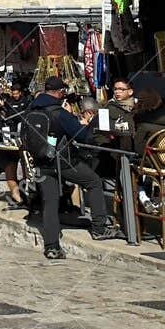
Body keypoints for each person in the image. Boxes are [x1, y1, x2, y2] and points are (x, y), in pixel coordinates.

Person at [27, 76, 114, 259]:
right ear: (59, 92)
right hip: (64, 162)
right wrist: (85, 125)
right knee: (93, 182)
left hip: (41, 162)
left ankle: (52, 247)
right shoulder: (59, 112)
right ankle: (99, 228)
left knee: (49, 202)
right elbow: (82, 136)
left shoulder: (31, 109)